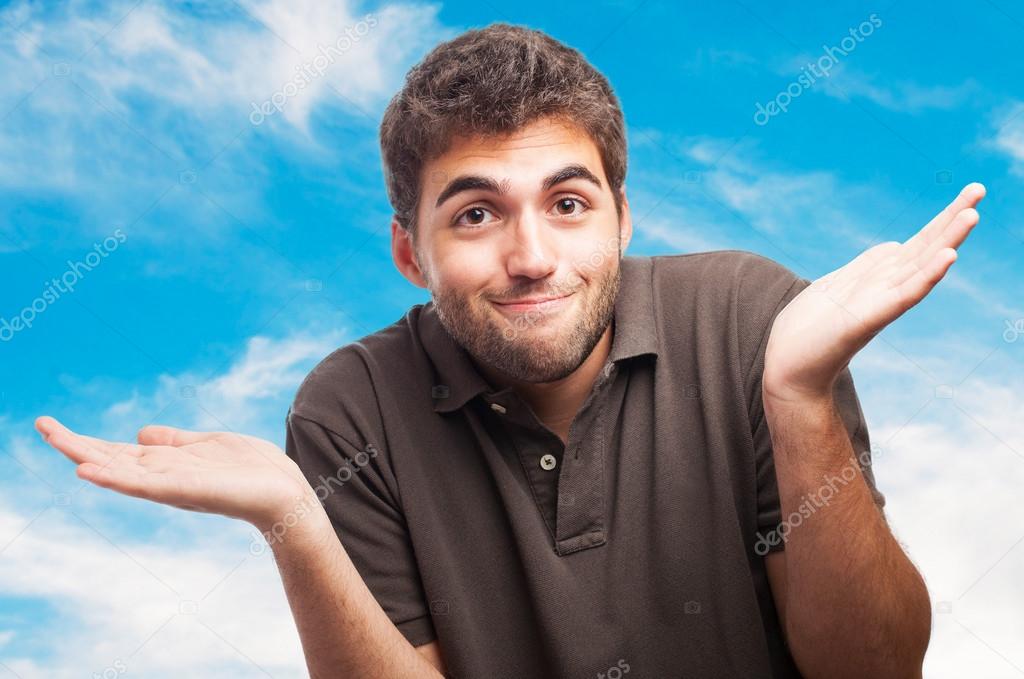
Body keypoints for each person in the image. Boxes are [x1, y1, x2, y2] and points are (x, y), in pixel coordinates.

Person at [36, 22, 986, 679]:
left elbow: (875, 668)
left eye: (568, 203)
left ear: (620, 218)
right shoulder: (350, 407)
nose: (531, 258)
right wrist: (294, 520)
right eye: (477, 212)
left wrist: (800, 400)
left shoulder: (756, 321)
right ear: (411, 251)